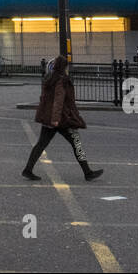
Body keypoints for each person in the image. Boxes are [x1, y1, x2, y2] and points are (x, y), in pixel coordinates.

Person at [23, 54, 102, 182]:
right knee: (76, 142)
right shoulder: (61, 80)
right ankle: (87, 172)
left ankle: (28, 169)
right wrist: (56, 119)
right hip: (61, 119)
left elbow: (44, 99)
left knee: (41, 144)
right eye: (66, 66)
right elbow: (58, 101)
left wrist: (49, 117)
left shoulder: (49, 78)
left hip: (49, 118)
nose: (67, 69)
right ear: (63, 67)